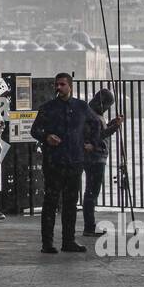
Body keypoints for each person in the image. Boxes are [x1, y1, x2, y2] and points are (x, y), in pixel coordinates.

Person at [30, 72, 90, 254]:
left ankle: (68, 240)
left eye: (62, 84)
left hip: (74, 161)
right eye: (57, 84)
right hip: (54, 161)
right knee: (51, 202)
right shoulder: (47, 108)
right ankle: (47, 243)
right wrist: (47, 137)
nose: (59, 87)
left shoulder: (81, 106)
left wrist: (91, 143)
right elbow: (35, 130)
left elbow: (94, 124)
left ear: (70, 86)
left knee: (70, 203)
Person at [82, 89, 124, 237]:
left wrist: (112, 123)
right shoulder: (93, 115)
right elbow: (98, 136)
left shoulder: (92, 112)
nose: (107, 108)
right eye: (107, 105)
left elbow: (100, 129)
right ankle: (89, 226)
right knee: (92, 193)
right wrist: (115, 127)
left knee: (91, 192)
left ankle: (90, 225)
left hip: (95, 157)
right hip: (96, 158)